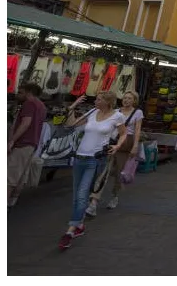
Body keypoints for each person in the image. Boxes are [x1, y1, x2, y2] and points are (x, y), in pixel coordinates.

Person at [58, 91, 127, 250]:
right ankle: (80, 225)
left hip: (95, 159)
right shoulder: (92, 112)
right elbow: (70, 124)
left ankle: (70, 231)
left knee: (83, 194)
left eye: (99, 99)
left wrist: (117, 146)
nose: (95, 101)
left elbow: (123, 134)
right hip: (80, 157)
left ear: (108, 102)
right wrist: (74, 106)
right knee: (77, 195)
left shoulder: (117, 116)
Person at [86, 90, 143, 214]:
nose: (126, 100)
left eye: (129, 98)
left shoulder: (138, 113)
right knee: (103, 172)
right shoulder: (117, 112)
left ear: (134, 101)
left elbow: (137, 130)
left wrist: (135, 146)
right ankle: (94, 201)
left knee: (119, 173)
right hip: (112, 142)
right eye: (125, 98)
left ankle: (114, 196)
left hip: (126, 144)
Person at [8, 83, 47, 209]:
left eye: (20, 92)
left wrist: (12, 140)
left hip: (23, 143)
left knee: (11, 174)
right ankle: (12, 200)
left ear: (28, 92)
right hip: (32, 143)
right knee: (21, 174)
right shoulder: (41, 106)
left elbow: (25, 123)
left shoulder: (29, 104)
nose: (18, 94)